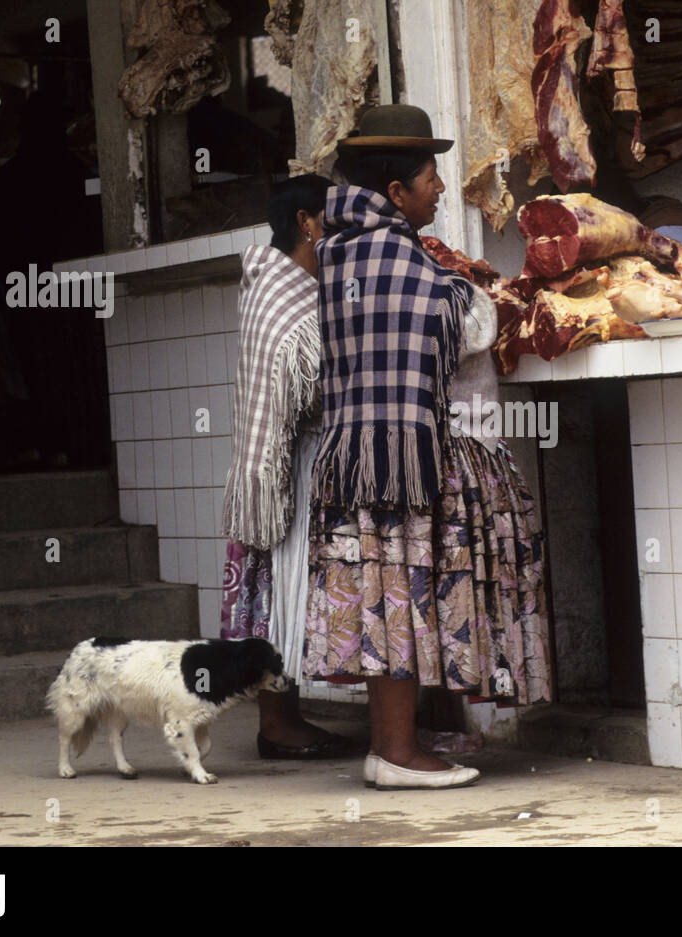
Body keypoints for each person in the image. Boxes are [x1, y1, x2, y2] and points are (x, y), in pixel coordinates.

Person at [303, 105, 551, 790]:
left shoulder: (338, 247)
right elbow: (462, 325)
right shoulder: (390, 254)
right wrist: (481, 294)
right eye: (430, 177)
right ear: (395, 191)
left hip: (357, 457)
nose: (441, 188)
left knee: (386, 596)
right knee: (397, 594)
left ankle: (394, 746)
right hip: (400, 462)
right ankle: (396, 752)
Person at [219, 173, 350, 758]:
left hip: (290, 462)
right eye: (335, 221)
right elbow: (302, 390)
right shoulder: (280, 291)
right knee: (276, 594)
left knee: (287, 594)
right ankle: (276, 726)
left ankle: (283, 721)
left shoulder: (286, 281)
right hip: (282, 468)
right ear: (307, 223)